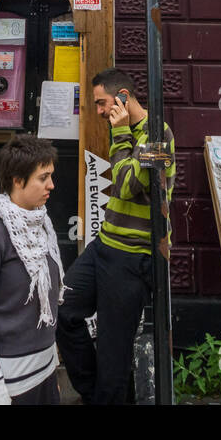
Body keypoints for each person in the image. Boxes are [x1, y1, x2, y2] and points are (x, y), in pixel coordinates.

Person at [56, 67, 176, 405]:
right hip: (105, 244)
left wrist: (121, 133)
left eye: (101, 103)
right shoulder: (120, 129)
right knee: (64, 310)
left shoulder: (159, 135)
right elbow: (124, 176)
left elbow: (124, 186)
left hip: (133, 255)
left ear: (122, 97)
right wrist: (120, 134)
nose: (97, 111)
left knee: (113, 348)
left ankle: (107, 397)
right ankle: (95, 395)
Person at [0, 133, 64, 405]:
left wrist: (51, 369)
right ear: (18, 180)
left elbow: (47, 307)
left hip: (42, 373)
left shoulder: (43, 226)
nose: (51, 185)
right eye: (43, 178)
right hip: (6, 384)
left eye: (51, 176)